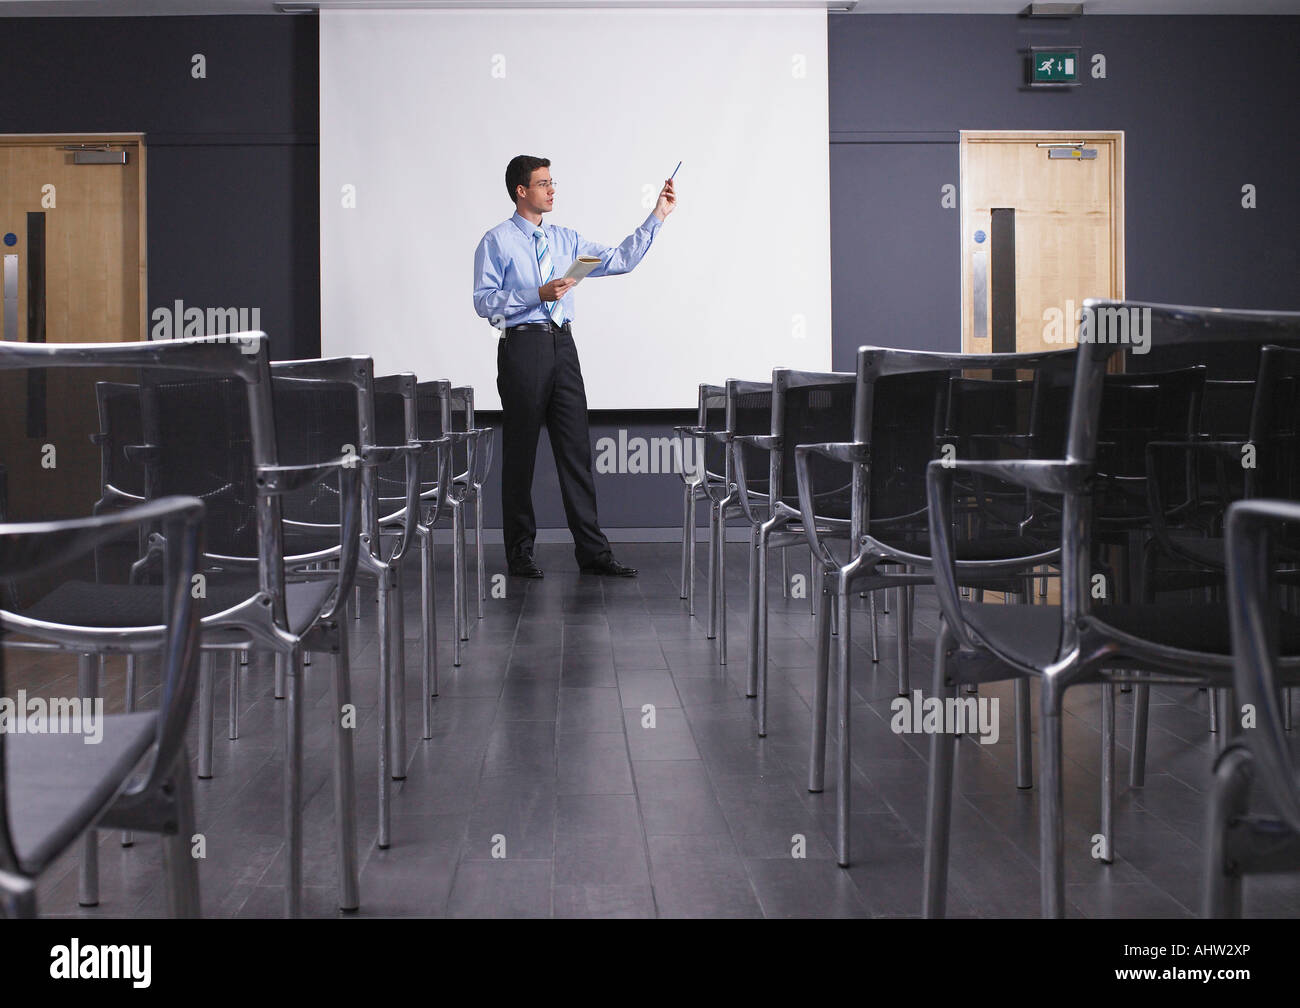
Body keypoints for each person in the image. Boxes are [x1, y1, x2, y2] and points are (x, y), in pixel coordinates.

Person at [472, 155, 676, 578]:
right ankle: (520, 554)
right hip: (523, 348)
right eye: (543, 183)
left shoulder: (566, 241)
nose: (551, 190)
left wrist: (657, 215)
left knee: (576, 450)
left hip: (563, 347)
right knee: (521, 453)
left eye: (552, 182)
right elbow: (484, 302)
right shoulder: (497, 241)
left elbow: (621, 259)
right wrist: (536, 293)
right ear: (521, 191)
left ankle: (593, 553)